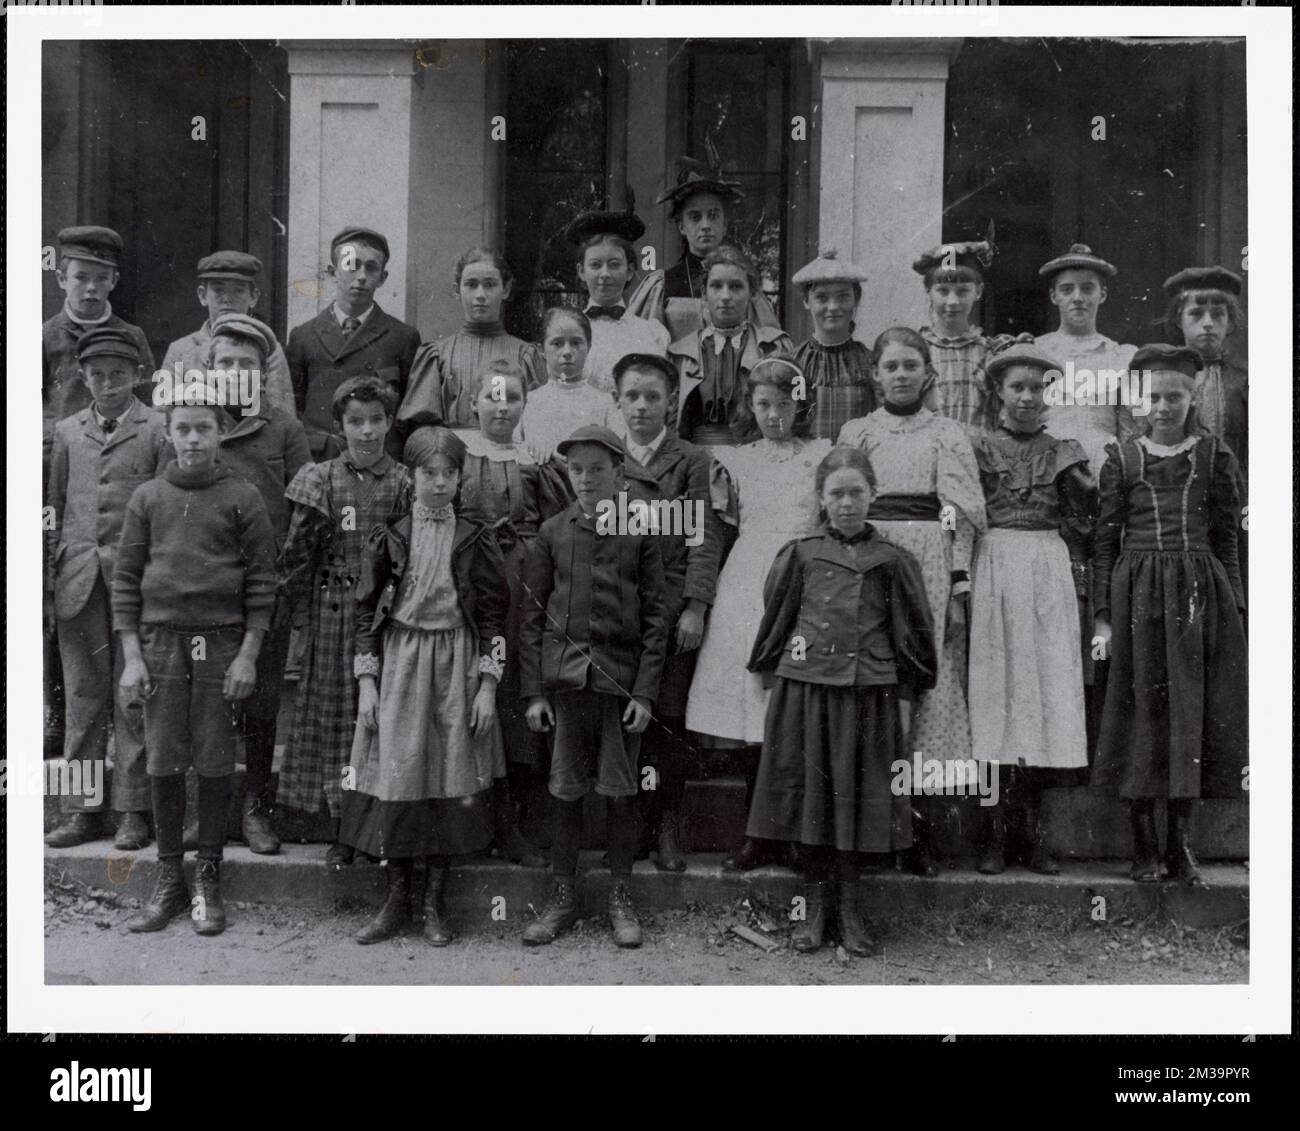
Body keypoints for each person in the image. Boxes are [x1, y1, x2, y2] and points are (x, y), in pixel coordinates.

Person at [747, 446, 937, 955]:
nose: (848, 503)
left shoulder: (894, 562)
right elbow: (778, 618)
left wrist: (904, 692)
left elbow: (911, 635)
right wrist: (773, 676)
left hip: (867, 693)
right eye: (837, 494)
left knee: (856, 800)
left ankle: (850, 911)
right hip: (806, 691)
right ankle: (811, 911)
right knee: (810, 796)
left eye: (857, 492)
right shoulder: (801, 554)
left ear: (873, 494)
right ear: (821, 499)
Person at [114, 392, 277, 936]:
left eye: (203, 429)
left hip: (219, 641)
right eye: (182, 429)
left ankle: (208, 876)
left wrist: (249, 655)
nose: (192, 440)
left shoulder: (242, 496)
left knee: (212, 755)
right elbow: (126, 581)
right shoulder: (148, 497)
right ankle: (168, 880)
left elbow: (261, 584)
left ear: (220, 434)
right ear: (167, 434)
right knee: (162, 756)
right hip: (161, 642)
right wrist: (132, 657)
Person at [343, 427, 511, 946]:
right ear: (411, 477)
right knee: (400, 774)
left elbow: (493, 616)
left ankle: (434, 902)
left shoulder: (475, 539)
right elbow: (366, 613)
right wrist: (368, 684)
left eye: (448, 474)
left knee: (444, 775)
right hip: (400, 663)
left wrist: (487, 684)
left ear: (461, 480)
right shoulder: (391, 536)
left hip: (456, 662)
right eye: (428, 474)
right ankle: (397, 898)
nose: (439, 484)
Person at [1091, 345, 1247, 889]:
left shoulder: (1213, 456)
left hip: (1199, 596)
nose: (1163, 406)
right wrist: (1103, 618)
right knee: (1141, 712)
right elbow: (1104, 544)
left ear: (1193, 396)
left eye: (1174, 396)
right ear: (1138, 400)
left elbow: (1227, 536)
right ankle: (1143, 843)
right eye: (1153, 396)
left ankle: (1180, 844)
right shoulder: (1122, 458)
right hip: (1137, 597)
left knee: (1190, 715)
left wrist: (1235, 605)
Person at [837, 328, 986, 877]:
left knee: (927, 688)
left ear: (929, 373)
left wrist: (957, 582)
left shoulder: (947, 433)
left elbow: (959, 513)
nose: (900, 375)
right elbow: (842, 500)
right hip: (870, 561)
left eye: (910, 365)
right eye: (890, 366)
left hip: (928, 562)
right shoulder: (858, 432)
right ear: (875, 374)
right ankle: (870, 829)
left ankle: (916, 834)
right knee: (871, 687)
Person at [519, 425, 668, 948]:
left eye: (597, 469)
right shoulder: (552, 533)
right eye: (576, 470)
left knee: (620, 791)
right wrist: (535, 691)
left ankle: (620, 896)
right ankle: (562, 895)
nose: (584, 479)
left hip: (620, 688)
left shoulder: (642, 532)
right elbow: (532, 618)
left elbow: (656, 619)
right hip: (565, 684)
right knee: (564, 790)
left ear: (619, 472)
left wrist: (645, 693)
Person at [684, 358, 832, 870]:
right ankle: (756, 832)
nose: (774, 415)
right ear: (750, 406)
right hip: (749, 581)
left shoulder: (822, 455)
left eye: (785, 405)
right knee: (752, 707)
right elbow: (719, 528)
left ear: (801, 405)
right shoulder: (736, 461)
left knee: (792, 706)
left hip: (805, 577)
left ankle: (792, 832)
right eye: (764, 405)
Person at [967, 337, 1098, 875]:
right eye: (1016, 387)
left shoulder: (1066, 451)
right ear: (998, 391)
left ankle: (1033, 836)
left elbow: (1086, 516)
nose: (1027, 397)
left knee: (1042, 694)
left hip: (1047, 568)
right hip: (994, 563)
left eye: (1038, 388)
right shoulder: (976, 446)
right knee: (998, 692)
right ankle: (995, 836)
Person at [277, 376, 412, 867]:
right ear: (339, 426)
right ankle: (340, 828)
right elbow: (296, 556)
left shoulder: (403, 483)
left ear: (390, 422)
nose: (368, 431)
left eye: (377, 420)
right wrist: (302, 618)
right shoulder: (320, 479)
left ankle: (376, 826)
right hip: (332, 613)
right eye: (356, 422)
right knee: (338, 720)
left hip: (383, 615)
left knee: (378, 719)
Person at [44, 327, 171, 851]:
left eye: (119, 374)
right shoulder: (68, 432)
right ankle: (80, 810)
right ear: (83, 377)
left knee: (133, 698)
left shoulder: (157, 429)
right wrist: (50, 573)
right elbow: (53, 508)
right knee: (82, 696)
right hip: (77, 580)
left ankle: (132, 810)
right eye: (97, 374)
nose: (108, 383)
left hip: (135, 583)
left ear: (138, 375)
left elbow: (165, 511)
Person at [456, 361, 574, 868]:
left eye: (512, 399)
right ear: (474, 404)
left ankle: (517, 825)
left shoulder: (537, 460)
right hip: (469, 582)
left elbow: (559, 526)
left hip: (524, 585)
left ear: (525, 407)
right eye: (492, 397)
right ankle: (473, 821)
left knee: (519, 694)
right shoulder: (456, 456)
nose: (501, 407)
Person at [613, 353, 724, 871]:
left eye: (653, 396)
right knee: (626, 720)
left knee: (669, 720)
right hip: (621, 612)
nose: (641, 406)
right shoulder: (608, 459)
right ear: (617, 400)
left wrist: (696, 607)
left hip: (673, 609)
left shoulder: (691, 461)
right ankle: (631, 825)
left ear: (671, 403)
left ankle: (668, 828)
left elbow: (704, 536)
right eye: (632, 396)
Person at [208, 314, 312, 855]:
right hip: (203, 588)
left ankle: (256, 808)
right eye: (225, 363)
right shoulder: (193, 423)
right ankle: (208, 811)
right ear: (210, 368)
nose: (235, 372)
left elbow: (305, 505)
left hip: (264, 588)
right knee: (207, 701)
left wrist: (282, 574)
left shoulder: (284, 429)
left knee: (261, 703)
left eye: (246, 364)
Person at [286, 226, 421, 461]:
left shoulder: (403, 337)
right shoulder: (303, 336)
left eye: (371, 267)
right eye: (351, 265)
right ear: (332, 272)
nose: (361, 276)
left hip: (379, 461)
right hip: (321, 460)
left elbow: (409, 416)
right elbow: (292, 410)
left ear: (382, 278)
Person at [625, 156, 781, 341]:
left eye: (713, 216)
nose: (705, 225)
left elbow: (766, 346)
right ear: (681, 226)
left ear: (725, 225)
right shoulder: (663, 285)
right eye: (695, 217)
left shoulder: (744, 284)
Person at [396, 247, 546, 440]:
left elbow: (541, 421)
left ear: (506, 289)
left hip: (511, 456)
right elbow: (420, 428)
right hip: (451, 459)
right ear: (457, 290)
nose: (480, 294)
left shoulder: (525, 355)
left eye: (490, 285)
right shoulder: (437, 355)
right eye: (471, 284)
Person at [43, 226, 155, 472]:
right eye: (81, 277)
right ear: (62, 280)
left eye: (101, 278)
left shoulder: (132, 335)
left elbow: (147, 400)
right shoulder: (45, 336)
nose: (91, 287)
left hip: (120, 457)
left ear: (114, 281)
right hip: (59, 457)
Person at [669, 246, 794, 448]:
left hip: (757, 454)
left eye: (736, 287)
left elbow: (793, 410)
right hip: (695, 458)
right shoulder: (681, 353)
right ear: (703, 293)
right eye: (716, 286)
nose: (725, 296)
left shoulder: (773, 347)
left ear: (752, 293)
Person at [1034, 243, 1139, 475]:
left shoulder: (1122, 356)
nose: (1077, 298)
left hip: (1103, 466)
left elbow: (1131, 429)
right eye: (1067, 289)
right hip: (1046, 467)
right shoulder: (1036, 351)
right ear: (1054, 296)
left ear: (1102, 294)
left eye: (1087, 289)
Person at [161, 250, 295, 418]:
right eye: (218, 290)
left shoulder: (270, 350)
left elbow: (282, 415)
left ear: (253, 297)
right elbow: (163, 415)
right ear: (203, 296)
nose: (227, 299)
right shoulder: (180, 350)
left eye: (238, 291)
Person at [561, 208, 669, 393]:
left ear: (630, 271)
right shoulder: (566, 333)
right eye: (595, 265)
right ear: (581, 271)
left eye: (614, 264)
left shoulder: (651, 333)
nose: (605, 274)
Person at [790, 247, 877, 441]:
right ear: (806, 301)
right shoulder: (792, 364)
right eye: (821, 297)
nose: (833, 307)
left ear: (856, 299)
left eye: (843, 296)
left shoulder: (870, 362)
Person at [913, 239, 999, 432]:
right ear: (928, 291)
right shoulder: (916, 350)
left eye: (962, 291)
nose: (952, 301)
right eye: (943, 291)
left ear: (978, 291)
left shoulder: (989, 351)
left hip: (979, 457)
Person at [521, 307, 614, 456]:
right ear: (541, 349)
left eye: (576, 343)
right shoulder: (529, 401)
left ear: (588, 347)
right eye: (557, 343)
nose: (567, 352)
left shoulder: (604, 403)